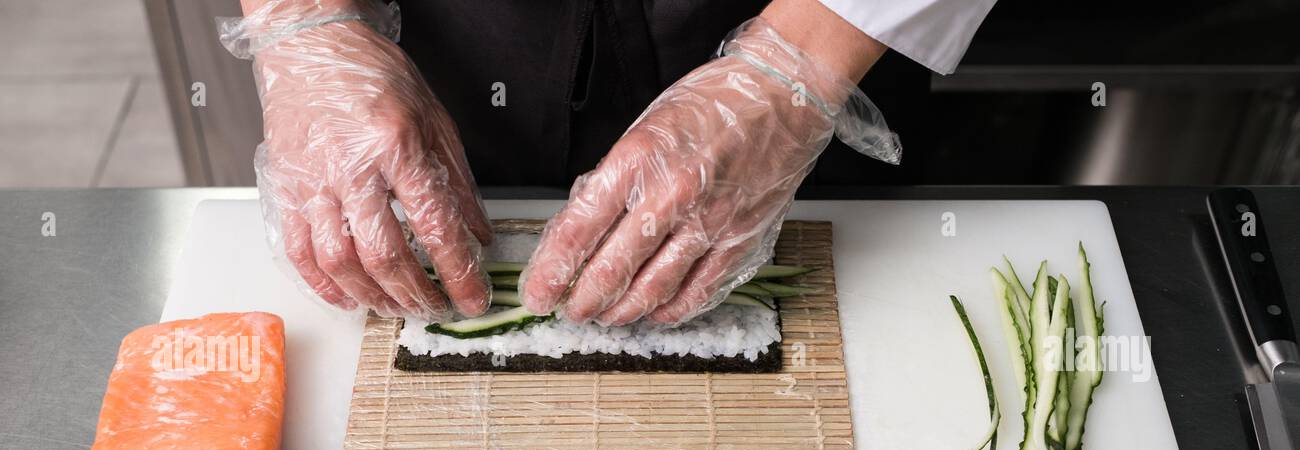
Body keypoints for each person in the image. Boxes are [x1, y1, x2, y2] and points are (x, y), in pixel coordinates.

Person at [221, 0, 995, 324]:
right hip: (457, 32)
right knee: (429, 211)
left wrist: (805, 62)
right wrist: (301, 21)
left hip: (821, 25)